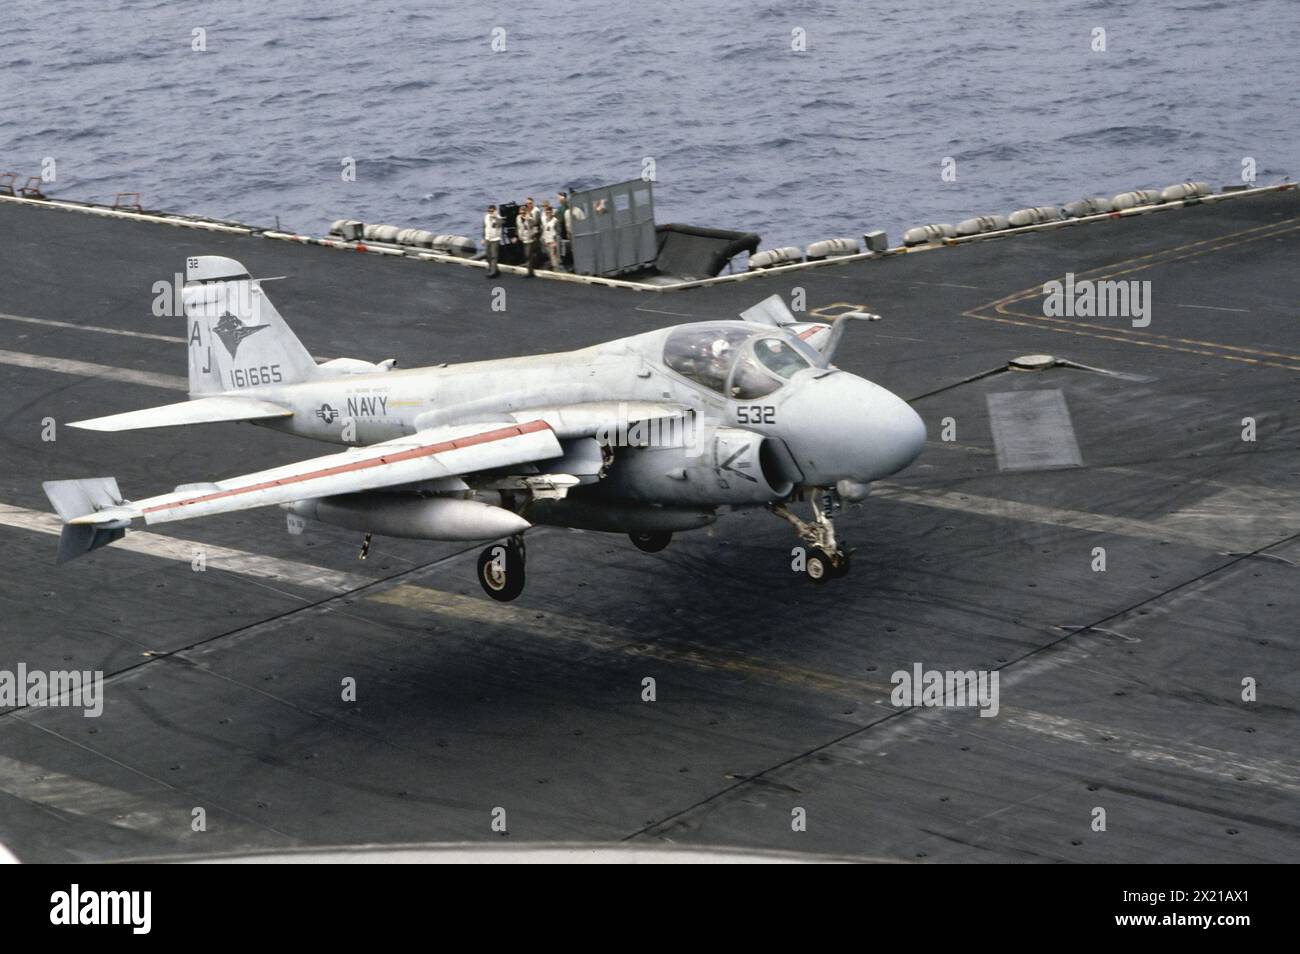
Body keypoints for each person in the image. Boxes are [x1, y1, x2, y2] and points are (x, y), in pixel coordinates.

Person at [516, 202, 540, 276]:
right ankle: (530, 269)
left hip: (530, 239)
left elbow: (534, 224)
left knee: (528, 255)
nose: (522, 214)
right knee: (527, 255)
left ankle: (530, 272)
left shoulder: (530, 217)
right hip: (523, 239)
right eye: (521, 213)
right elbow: (518, 227)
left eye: (523, 213)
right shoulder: (518, 218)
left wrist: (528, 219)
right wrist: (518, 236)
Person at [482, 204, 503, 278]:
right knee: (488, 256)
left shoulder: (499, 218)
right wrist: (483, 238)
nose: (490, 212)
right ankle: (494, 269)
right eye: (489, 211)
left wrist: (495, 217)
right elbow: (484, 227)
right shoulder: (486, 217)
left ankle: (493, 272)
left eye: (491, 211)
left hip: (495, 239)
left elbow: (500, 224)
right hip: (488, 239)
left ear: (495, 211)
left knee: (494, 256)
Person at [542, 207, 561, 272]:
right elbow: (544, 230)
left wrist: (555, 241)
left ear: (551, 212)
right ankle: (553, 266)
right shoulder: (545, 220)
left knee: (553, 254)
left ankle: (555, 268)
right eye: (546, 212)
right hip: (546, 240)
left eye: (549, 212)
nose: (548, 214)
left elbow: (558, 232)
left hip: (553, 241)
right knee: (549, 255)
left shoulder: (555, 221)